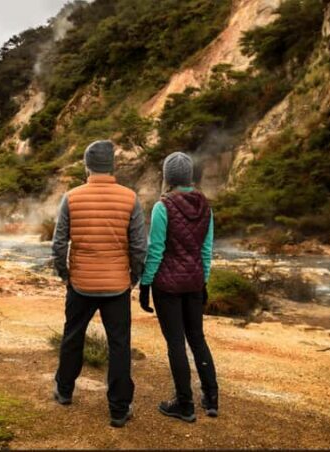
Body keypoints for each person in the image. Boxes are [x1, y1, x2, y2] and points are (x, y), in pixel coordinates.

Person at [51, 140, 147, 428]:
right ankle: (118, 409)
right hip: (117, 285)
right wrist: (133, 277)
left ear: (87, 166)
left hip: (80, 283)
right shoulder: (130, 198)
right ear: (112, 166)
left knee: (72, 337)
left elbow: (59, 244)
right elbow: (139, 247)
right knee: (119, 345)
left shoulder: (71, 197)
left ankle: (64, 391)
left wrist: (65, 275)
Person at [138, 151, 219, 423]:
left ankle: (184, 404)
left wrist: (145, 284)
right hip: (194, 283)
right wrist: (203, 281)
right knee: (197, 338)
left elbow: (156, 250)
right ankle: (211, 397)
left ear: (168, 178)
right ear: (189, 177)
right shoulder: (206, 207)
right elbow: (206, 251)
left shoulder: (163, 207)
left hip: (168, 287)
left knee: (176, 343)